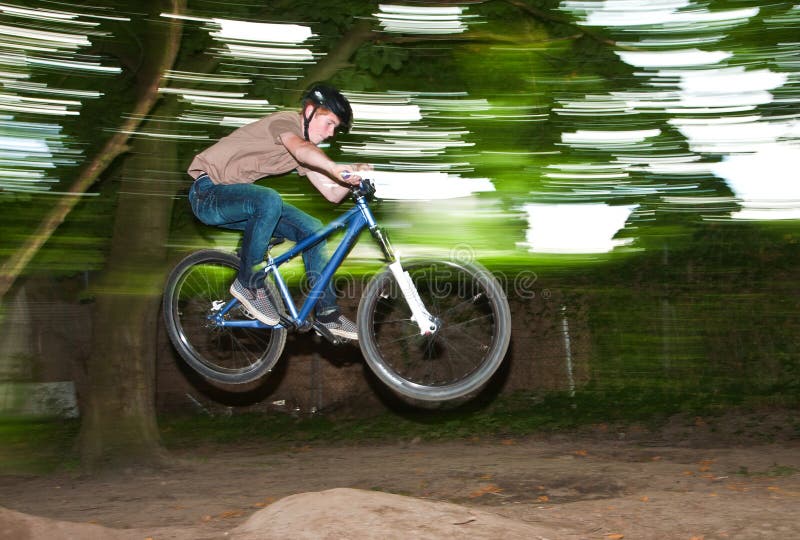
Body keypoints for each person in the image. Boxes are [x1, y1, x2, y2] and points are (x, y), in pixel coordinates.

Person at [187, 84, 370, 340]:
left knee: (315, 231)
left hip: (240, 203)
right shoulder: (285, 123)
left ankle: (327, 313)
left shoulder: (302, 154)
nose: (331, 133)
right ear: (309, 111)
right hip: (207, 194)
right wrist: (334, 167)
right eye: (328, 123)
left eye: (335, 129)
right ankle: (248, 283)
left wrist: (357, 172)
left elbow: (332, 194)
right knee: (269, 199)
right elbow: (300, 149)